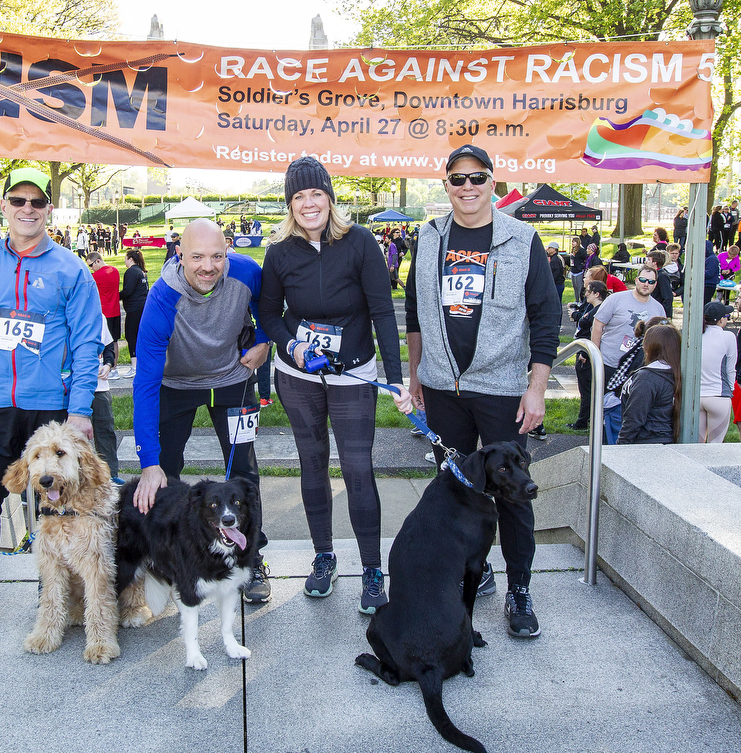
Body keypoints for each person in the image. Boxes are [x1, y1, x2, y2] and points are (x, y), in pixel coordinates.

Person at [405, 144, 560, 639]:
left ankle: (519, 588)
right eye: (458, 179)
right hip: (442, 388)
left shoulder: (521, 237)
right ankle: (474, 568)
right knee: (456, 490)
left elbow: (545, 316)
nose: (467, 187)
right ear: (445, 184)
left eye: (478, 178)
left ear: (493, 182)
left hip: (501, 389)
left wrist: (537, 389)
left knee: (514, 494)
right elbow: (413, 311)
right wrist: (415, 374)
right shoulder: (428, 238)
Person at [0, 167, 104, 635]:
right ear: (4, 207)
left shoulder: (71, 269)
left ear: (49, 209)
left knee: (57, 503)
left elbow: (86, 343)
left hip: (47, 407)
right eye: (18, 201)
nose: (28, 209)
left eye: (37, 202)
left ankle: (51, 590)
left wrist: (79, 410)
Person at [261, 156, 410, 615]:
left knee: (358, 468)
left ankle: (370, 568)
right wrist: (292, 348)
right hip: (300, 376)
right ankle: (323, 558)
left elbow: (384, 313)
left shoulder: (360, 242)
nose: (308, 204)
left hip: (354, 374)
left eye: (316, 194)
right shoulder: (280, 251)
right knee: (312, 464)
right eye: (299, 196)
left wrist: (397, 378)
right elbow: (267, 313)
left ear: (330, 197)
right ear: (290, 203)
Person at [132, 217, 273, 603]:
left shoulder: (246, 271)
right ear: (179, 253)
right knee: (165, 476)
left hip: (233, 379)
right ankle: (168, 559)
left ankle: (251, 557)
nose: (208, 266)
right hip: (176, 385)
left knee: (245, 472)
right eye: (197, 257)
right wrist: (148, 462)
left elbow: (270, 307)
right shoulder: (161, 298)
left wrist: (263, 341)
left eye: (217, 256)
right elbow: (144, 383)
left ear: (228, 250)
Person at [591, 265, 666, 442]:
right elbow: (598, 325)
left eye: (651, 281)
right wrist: (595, 354)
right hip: (609, 363)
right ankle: (598, 441)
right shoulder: (616, 299)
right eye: (643, 279)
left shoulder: (658, 309)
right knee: (602, 407)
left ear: (655, 284)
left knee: (629, 409)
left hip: (638, 369)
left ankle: (622, 440)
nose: (646, 284)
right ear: (636, 280)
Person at [617, 322, 682, 445]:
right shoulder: (676, 373)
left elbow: (634, 417)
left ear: (649, 346)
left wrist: (621, 445)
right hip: (664, 440)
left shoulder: (647, 378)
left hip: (646, 442)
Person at [567, 281, 609, 430]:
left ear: (597, 294)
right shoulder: (592, 308)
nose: (585, 294)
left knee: (587, 390)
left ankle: (583, 421)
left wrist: (585, 353)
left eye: (588, 292)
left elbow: (594, 332)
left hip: (588, 352)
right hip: (584, 349)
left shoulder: (599, 311)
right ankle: (586, 419)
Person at [700, 301, 737, 443]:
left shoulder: (696, 334)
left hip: (696, 397)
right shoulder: (728, 337)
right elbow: (730, 369)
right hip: (719, 396)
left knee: (694, 447)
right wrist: (731, 391)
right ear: (721, 319)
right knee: (715, 446)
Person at [92, 321, 121, 484]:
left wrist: (108, 364)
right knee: (73, 437)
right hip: (71, 386)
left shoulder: (99, 316)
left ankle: (110, 475)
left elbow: (109, 347)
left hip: (99, 386)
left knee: (105, 432)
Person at [88, 251, 122, 379]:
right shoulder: (115, 271)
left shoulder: (95, 276)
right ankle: (114, 368)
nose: (91, 268)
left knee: (105, 340)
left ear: (97, 261)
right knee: (114, 341)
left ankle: (105, 365)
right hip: (115, 310)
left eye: (91, 265)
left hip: (103, 312)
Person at [120, 248, 149, 380]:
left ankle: (134, 366)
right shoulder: (141, 272)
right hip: (142, 307)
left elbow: (128, 290)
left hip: (134, 308)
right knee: (138, 336)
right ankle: (140, 364)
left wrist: (116, 296)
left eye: (126, 258)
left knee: (131, 336)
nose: (125, 261)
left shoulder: (131, 271)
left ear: (130, 259)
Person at [646, 250, 674, 318]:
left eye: (649, 260)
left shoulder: (662, 276)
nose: (646, 262)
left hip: (660, 313)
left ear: (654, 263)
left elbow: (667, 297)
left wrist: (663, 314)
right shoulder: (655, 274)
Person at [547, 241, 566, 320]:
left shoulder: (555, 260)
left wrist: (550, 282)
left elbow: (556, 273)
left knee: (556, 304)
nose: (548, 249)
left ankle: (557, 322)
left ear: (554, 249)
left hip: (557, 284)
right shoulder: (557, 258)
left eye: (550, 248)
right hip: (558, 283)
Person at [569, 236, 586, 304]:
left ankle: (581, 301)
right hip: (573, 270)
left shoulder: (581, 250)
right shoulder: (573, 250)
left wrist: (581, 266)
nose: (572, 243)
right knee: (575, 287)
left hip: (579, 271)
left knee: (579, 287)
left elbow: (585, 257)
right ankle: (576, 300)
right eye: (572, 242)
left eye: (574, 242)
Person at [705, 239, 721, 304]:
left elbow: (709, 273)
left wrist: (697, 274)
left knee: (705, 302)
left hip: (709, 284)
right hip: (707, 283)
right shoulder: (709, 258)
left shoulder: (712, 259)